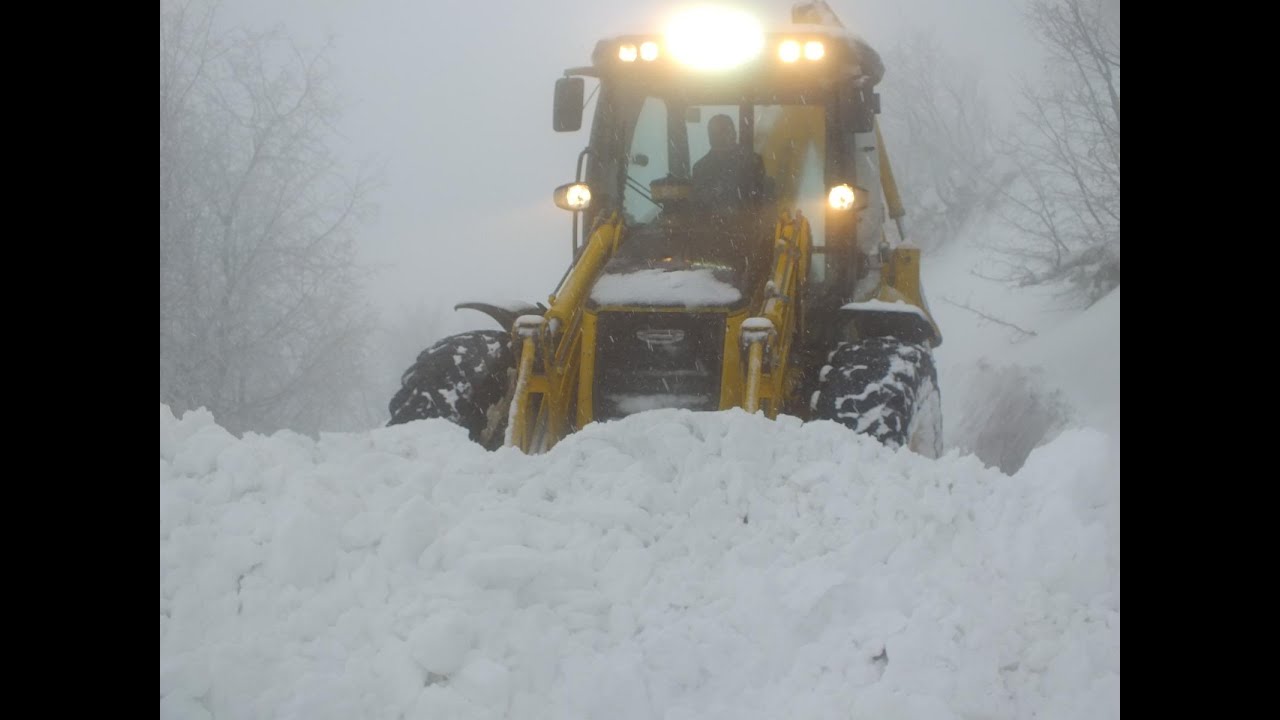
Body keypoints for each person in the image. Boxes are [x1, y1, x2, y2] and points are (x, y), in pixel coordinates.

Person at [691, 114, 766, 212]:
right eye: (717, 134)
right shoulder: (700, 169)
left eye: (725, 132)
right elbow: (699, 205)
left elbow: (762, 199)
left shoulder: (752, 162)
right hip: (711, 226)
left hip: (749, 224)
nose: (721, 137)